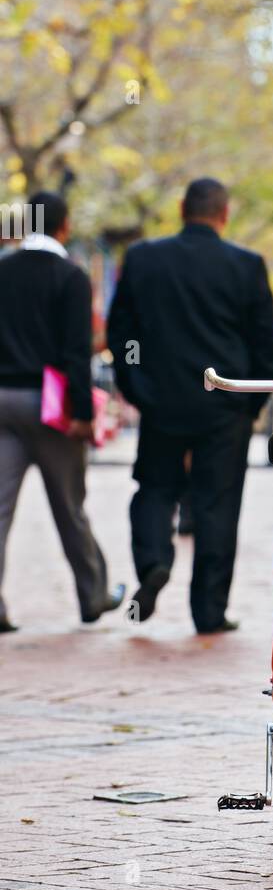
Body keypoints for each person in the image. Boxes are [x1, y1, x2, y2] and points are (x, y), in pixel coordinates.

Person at [107, 178, 273, 634]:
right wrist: (252, 402)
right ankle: (209, 612)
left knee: (153, 487)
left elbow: (121, 333)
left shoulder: (143, 258)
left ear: (182, 209)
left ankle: (153, 563)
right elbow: (266, 345)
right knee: (218, 505)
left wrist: (135, 387)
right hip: (225, 401)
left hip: (161, 400)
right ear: (223, 215)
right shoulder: (246, 265)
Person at [0, 191, 125, 631]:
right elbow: (76, 352)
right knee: (70, 506)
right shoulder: (70, 277)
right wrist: (84, 417)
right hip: (52, 408)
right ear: (65, 225)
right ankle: (93, 596)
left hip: (2, 401)